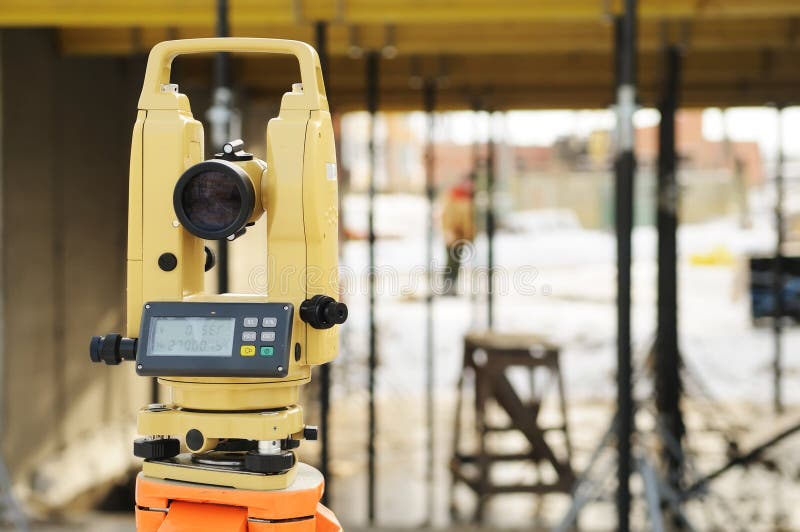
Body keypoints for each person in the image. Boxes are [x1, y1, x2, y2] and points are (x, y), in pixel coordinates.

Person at [440, 177, 475, 295]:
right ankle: (448, 288)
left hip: (461, 237)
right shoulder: (454, 197)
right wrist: (448, 232)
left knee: (456, 262)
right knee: (451, 263)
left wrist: (469, 235)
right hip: (452, 235)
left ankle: (451, 288)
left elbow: (468, 221)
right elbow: (448, 216)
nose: (470, 186)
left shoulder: (469, 198)